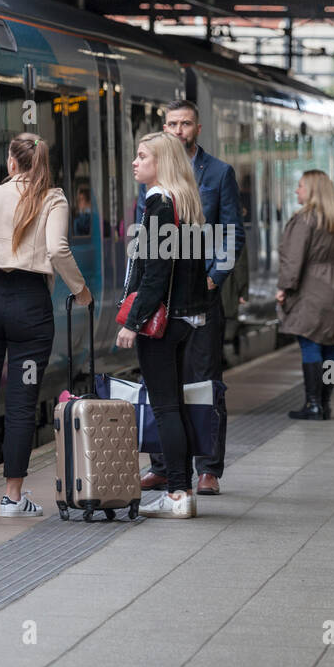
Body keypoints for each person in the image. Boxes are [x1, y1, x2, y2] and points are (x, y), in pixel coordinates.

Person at [0, 136, 92, 519]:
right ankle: (14, 497)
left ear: (12, 163)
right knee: (20, 403)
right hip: (29, 313)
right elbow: (56, 250)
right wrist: (81, 292)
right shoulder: (54, 199)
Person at [136, 100, 244, 496]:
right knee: (163, 386)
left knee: (203, 382)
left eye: (185, 124)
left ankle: (208, 468)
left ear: (198, 128)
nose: (178, 130)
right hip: (163, 301)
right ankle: (164, 465)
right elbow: (141, 236)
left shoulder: (218, 173)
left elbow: (231, 233)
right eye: (171, 124)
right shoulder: (153, 181)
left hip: (200, 299)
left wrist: (213, 279)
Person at [117, 132, 210, 518]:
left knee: (166, 406)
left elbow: (155, 274)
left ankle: (176, 492)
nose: (135, 162)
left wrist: (134, 323)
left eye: (143, 156)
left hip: (162, 322)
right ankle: (181, 487)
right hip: (187, 318)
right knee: (175, 404)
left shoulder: (158, 205)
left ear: (162, 162)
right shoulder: (185, 203)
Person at [276, 170, 334, 421]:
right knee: (328, 345)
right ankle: (326, 401)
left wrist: (285, 287)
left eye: (300, 186)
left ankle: (312, 403)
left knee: (309, 344)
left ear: (312, 190)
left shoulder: (306, 219)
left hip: (311, 285)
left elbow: (294, 258)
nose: (296, 191)